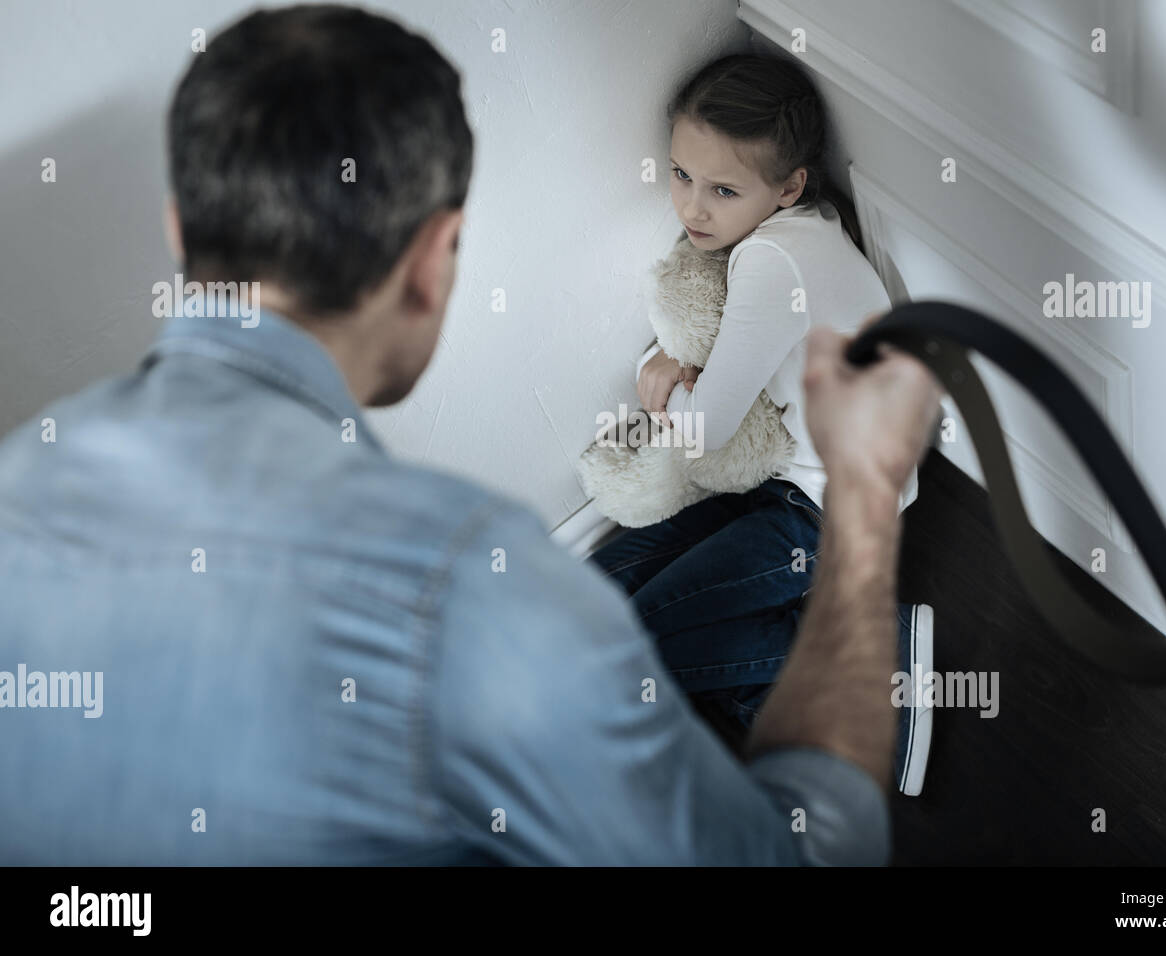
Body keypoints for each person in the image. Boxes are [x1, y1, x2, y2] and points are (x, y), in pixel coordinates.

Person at [0, 5, 941, 865]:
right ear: (435, 263)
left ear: (178, 232)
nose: (692, 202)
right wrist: (863, 502)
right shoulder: (471, 587)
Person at [589, 54, 933, 794]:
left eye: (721, 189)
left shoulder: (775, 262)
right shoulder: (802, 228)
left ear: (788, 187)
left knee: (631, 643)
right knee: (600, 586)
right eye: (681, 174)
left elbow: (703, 431)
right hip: (791, 480)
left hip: (829, 509)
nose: (692, 210)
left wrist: (658, 386)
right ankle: (763, 698)